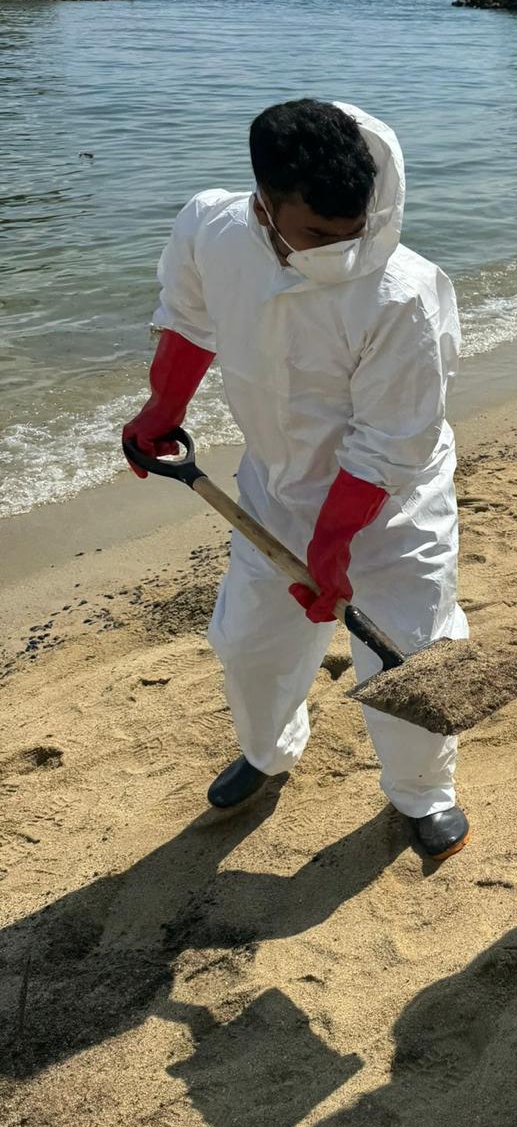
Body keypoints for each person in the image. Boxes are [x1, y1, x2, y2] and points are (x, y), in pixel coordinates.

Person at [122, 99, 470, 859]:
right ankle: (269, 750)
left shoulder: (404, 293)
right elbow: (188, 319)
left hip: (392, 507)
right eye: (317, 236)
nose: (344, 252)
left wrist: (335, 546)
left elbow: (386, 447)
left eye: (356, 233)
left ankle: (422, 792)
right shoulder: (212, 227)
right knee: (249, 644)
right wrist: (159, 412)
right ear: (265, 203)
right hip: (272, 491)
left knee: (410, 651)